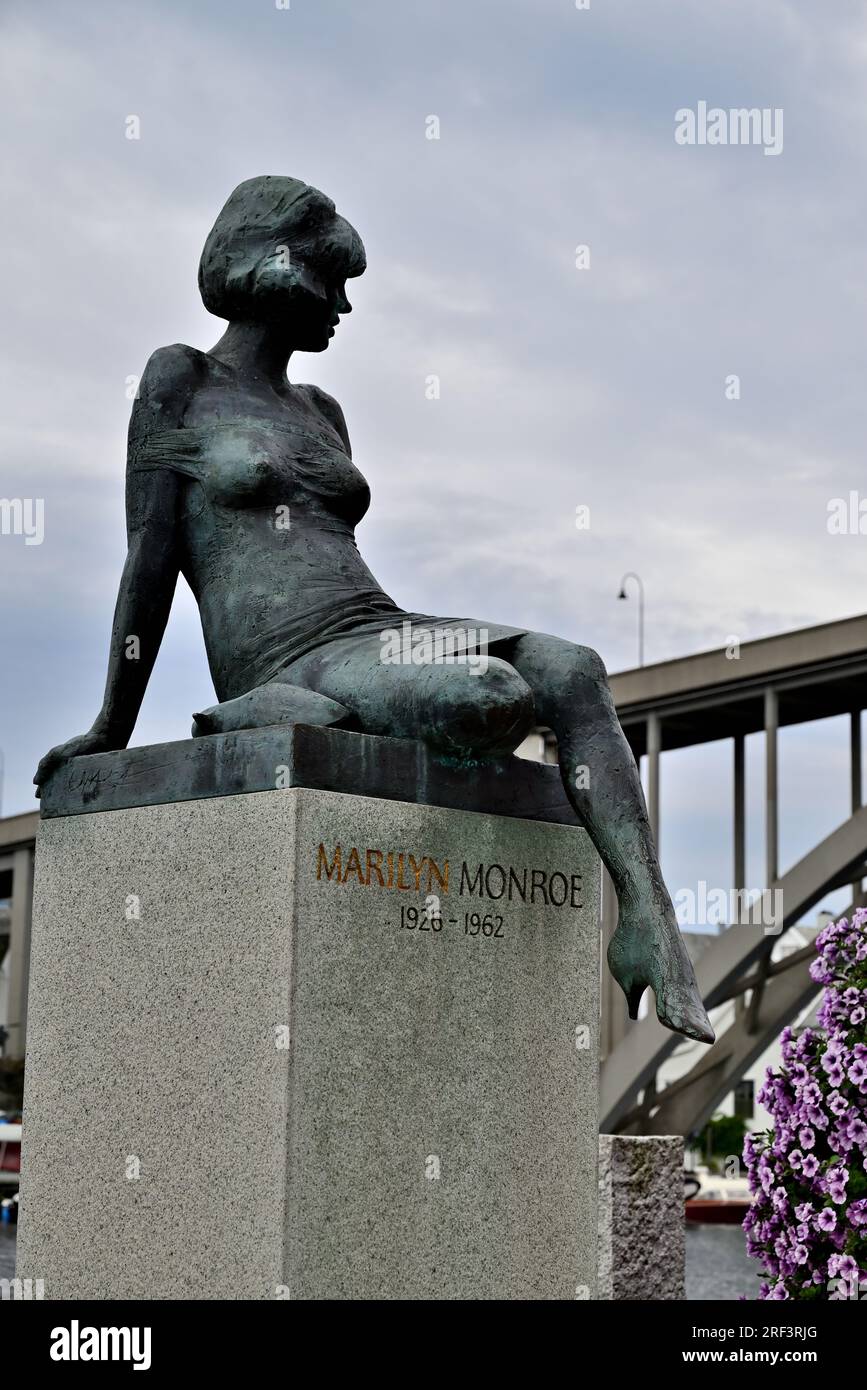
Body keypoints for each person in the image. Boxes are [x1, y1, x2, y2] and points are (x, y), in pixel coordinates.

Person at [35, 176, 713, 1045]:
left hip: (378, 629)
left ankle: (646, 920)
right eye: (334, 278)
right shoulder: (180, 379)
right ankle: (262, 711)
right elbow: (149, 558)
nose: (346, 305)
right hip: (289, 653)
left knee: (571, 666)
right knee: (485, 699)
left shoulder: (323, 410)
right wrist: (109, 726)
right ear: (277, 270)